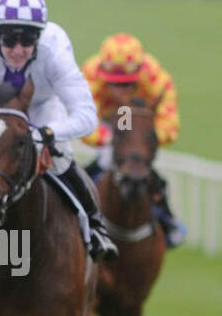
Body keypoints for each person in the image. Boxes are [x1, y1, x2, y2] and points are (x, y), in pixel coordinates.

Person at [0, 0, 117, 261]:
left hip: (40, 110)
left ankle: (94, 225)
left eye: (28, 40)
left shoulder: (55, 50)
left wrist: (46, 134)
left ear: (39, 36)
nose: (18, 50)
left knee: (62, 158)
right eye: (8, 40)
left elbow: (86, 116)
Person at [80, 32, 187, 246]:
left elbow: (170, 125)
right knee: (101, 163)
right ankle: (80, 211)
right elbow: (82, 121)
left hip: (140, 122)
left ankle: (166, 218)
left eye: (129, 84)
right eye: (116, 84)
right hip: (108, 120)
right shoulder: (89, 76)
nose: (124, 91)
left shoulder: (156, 78)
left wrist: (143, 138)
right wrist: (109, 138)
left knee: (142, 168)